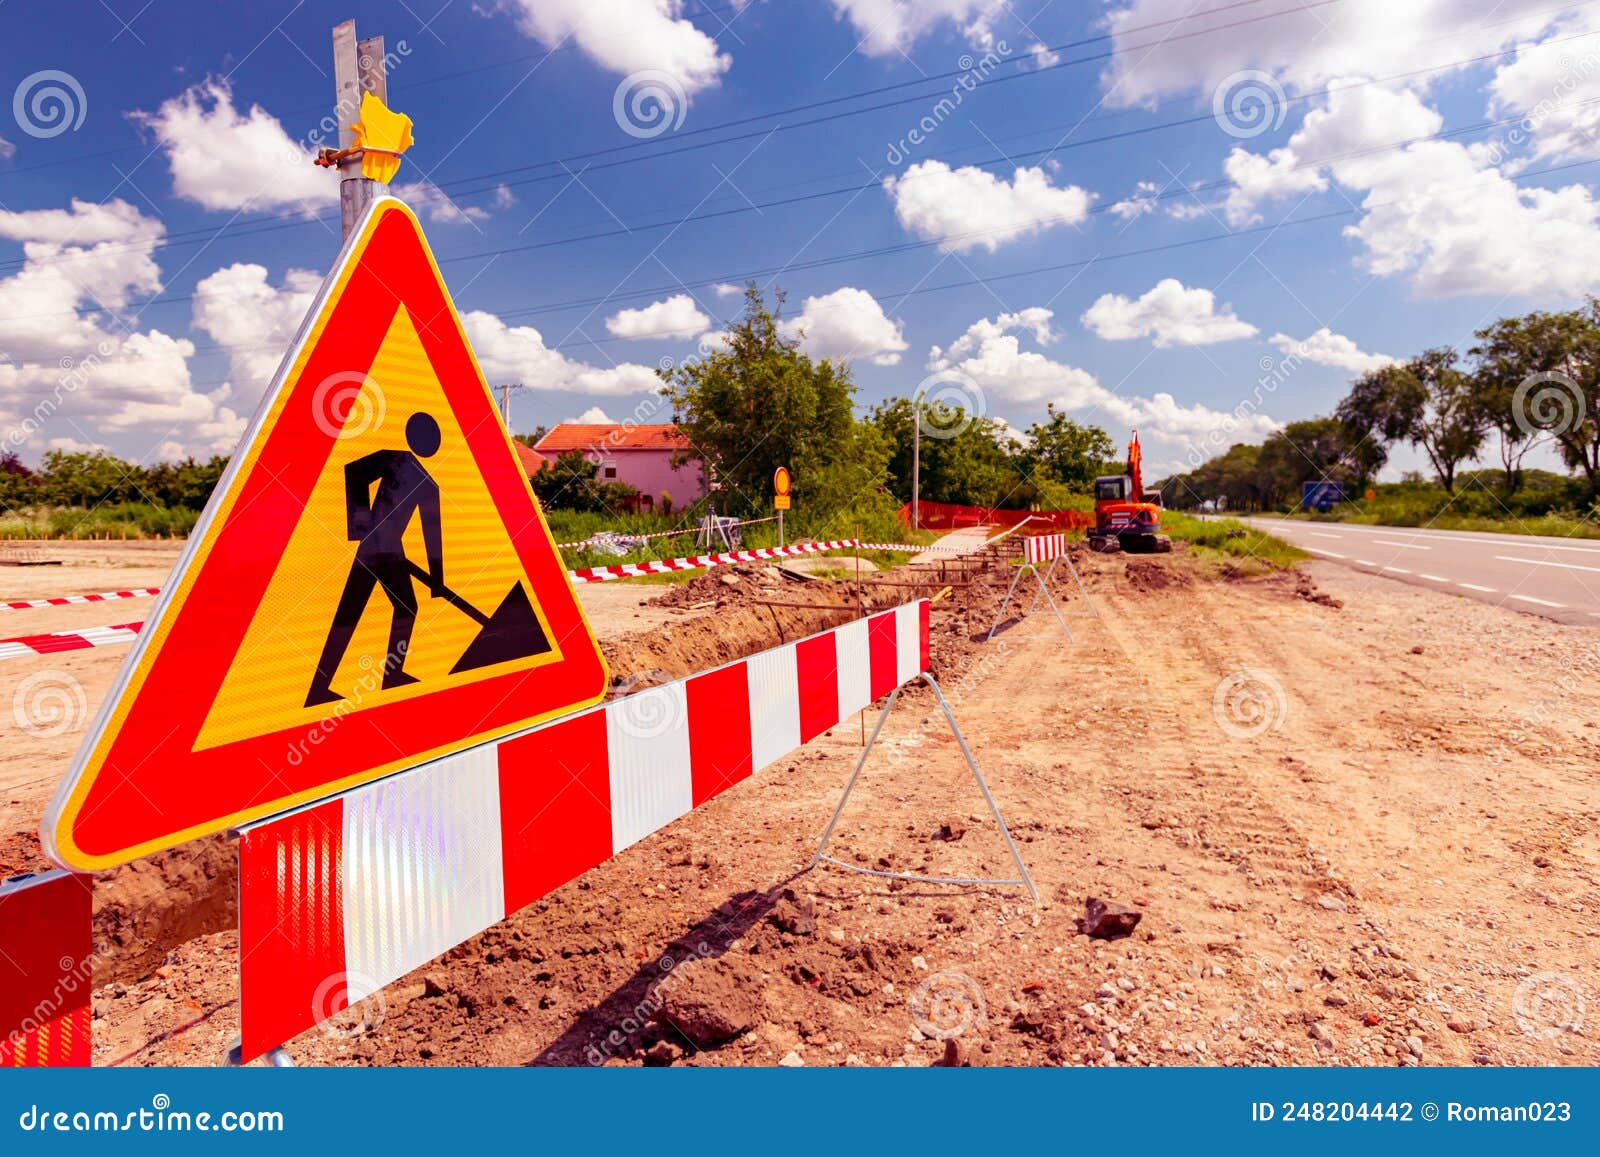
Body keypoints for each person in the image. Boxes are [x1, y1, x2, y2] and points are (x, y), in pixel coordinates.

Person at [304, 412, 443, 707]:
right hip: (377, 547)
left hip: (388, 549)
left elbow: (433, 532)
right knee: (382, 610)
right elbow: (354, 472)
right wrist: (360, 525)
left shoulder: (427, 481)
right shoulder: (394, 460)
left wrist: (438, 579)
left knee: (356, 613)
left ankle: (323, 686)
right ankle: (383, 676)